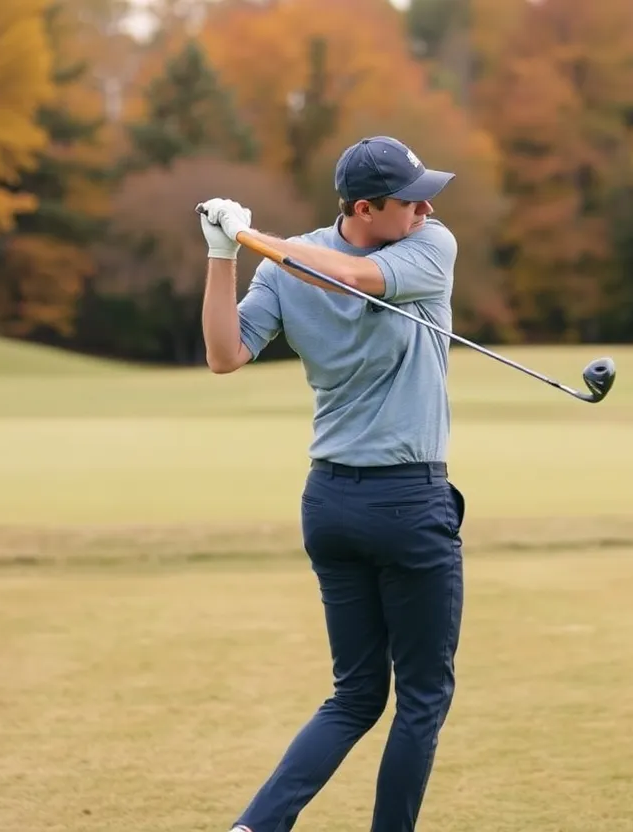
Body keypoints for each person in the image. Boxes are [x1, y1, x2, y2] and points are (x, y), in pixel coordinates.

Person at [196, 135, 467, 832]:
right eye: (409, 200)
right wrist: (222, 258)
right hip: (407, 502)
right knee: (421, 698)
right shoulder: (293, 264)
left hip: (332, 506)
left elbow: (353, 278)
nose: (427, 208)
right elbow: (226, 355)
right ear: (366, 208)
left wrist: (251, 240)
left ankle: (254, 827)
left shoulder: (425, 245)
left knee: (354, 696)